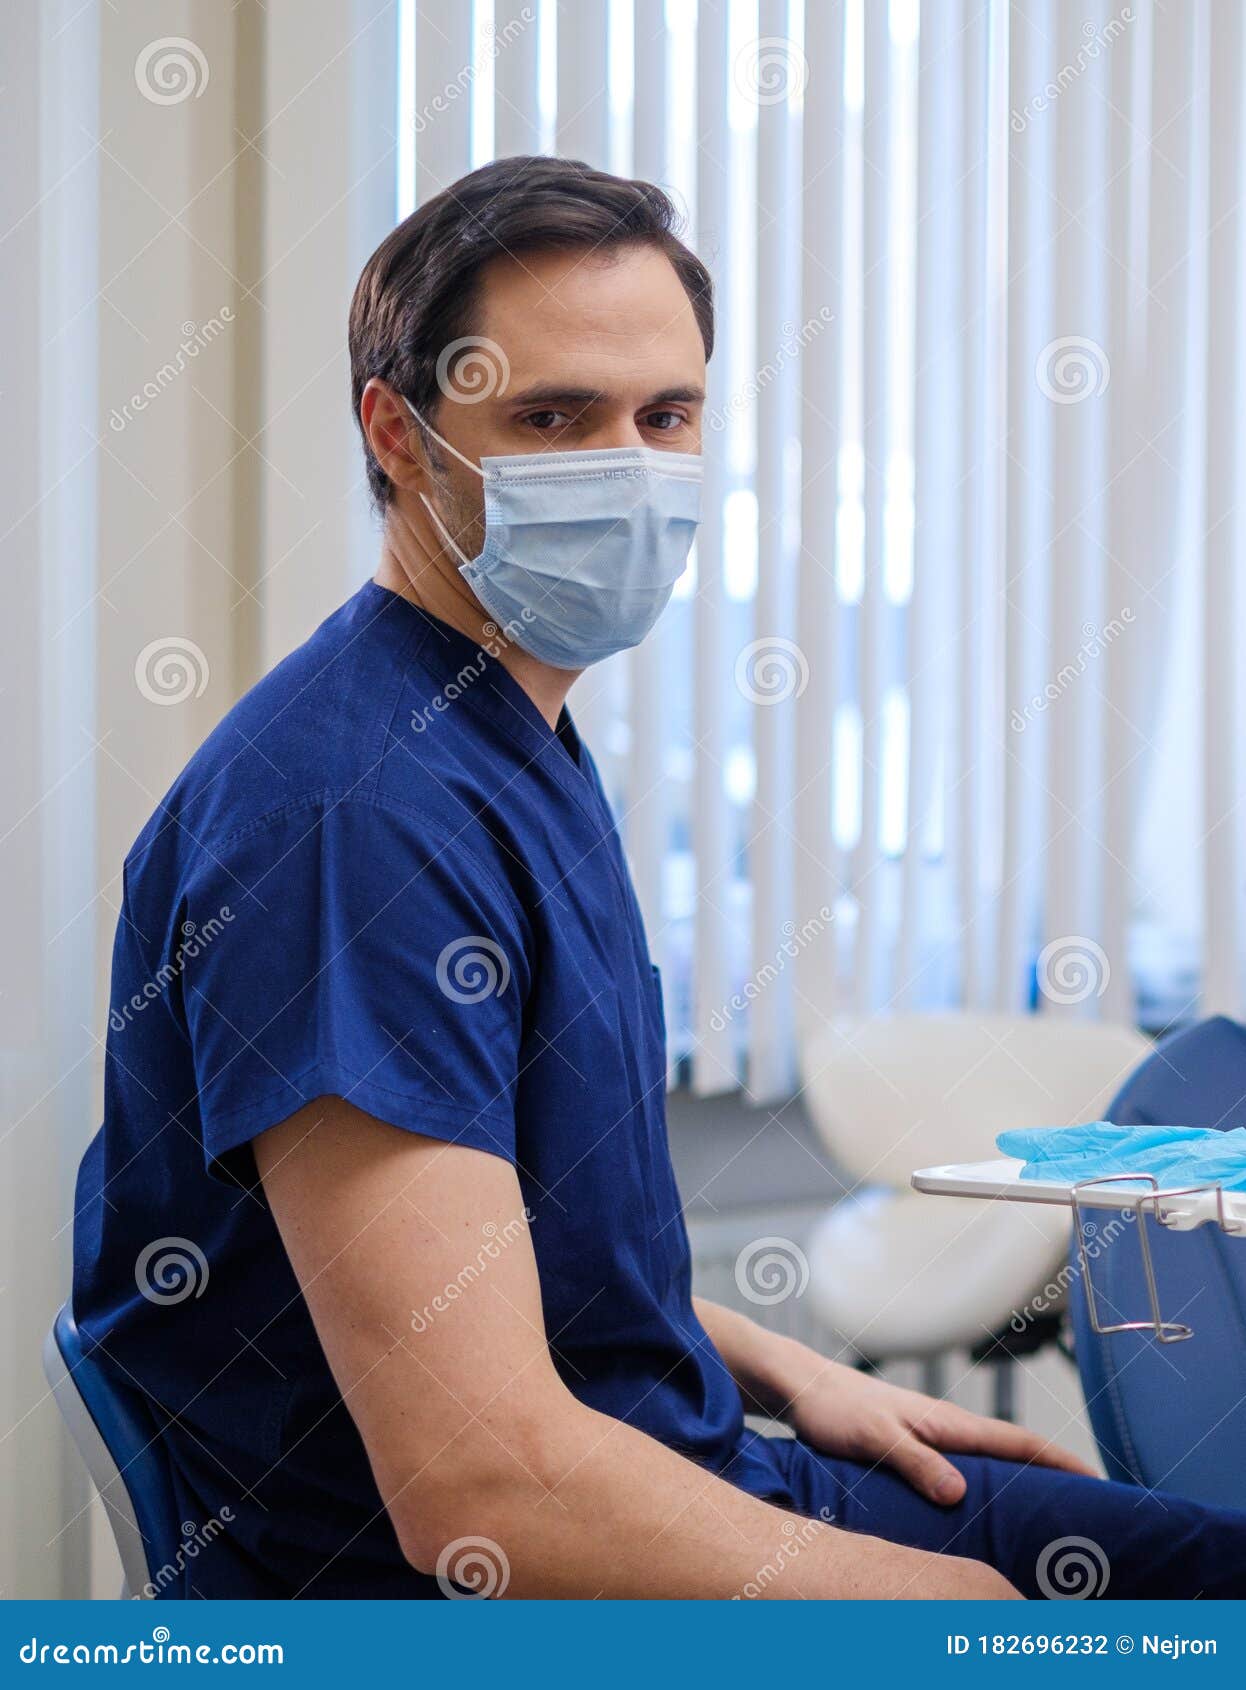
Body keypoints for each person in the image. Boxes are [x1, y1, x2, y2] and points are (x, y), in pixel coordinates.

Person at [72, 156, 1246, 1599]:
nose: (626, 467)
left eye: (665, 415)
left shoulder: (489, 727)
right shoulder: (352, 820)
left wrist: (780, 1365)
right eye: (552, 417)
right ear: (397, 434)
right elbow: (479, 1493)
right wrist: (933, 1604)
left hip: (671, 1465)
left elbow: (490, 1261)